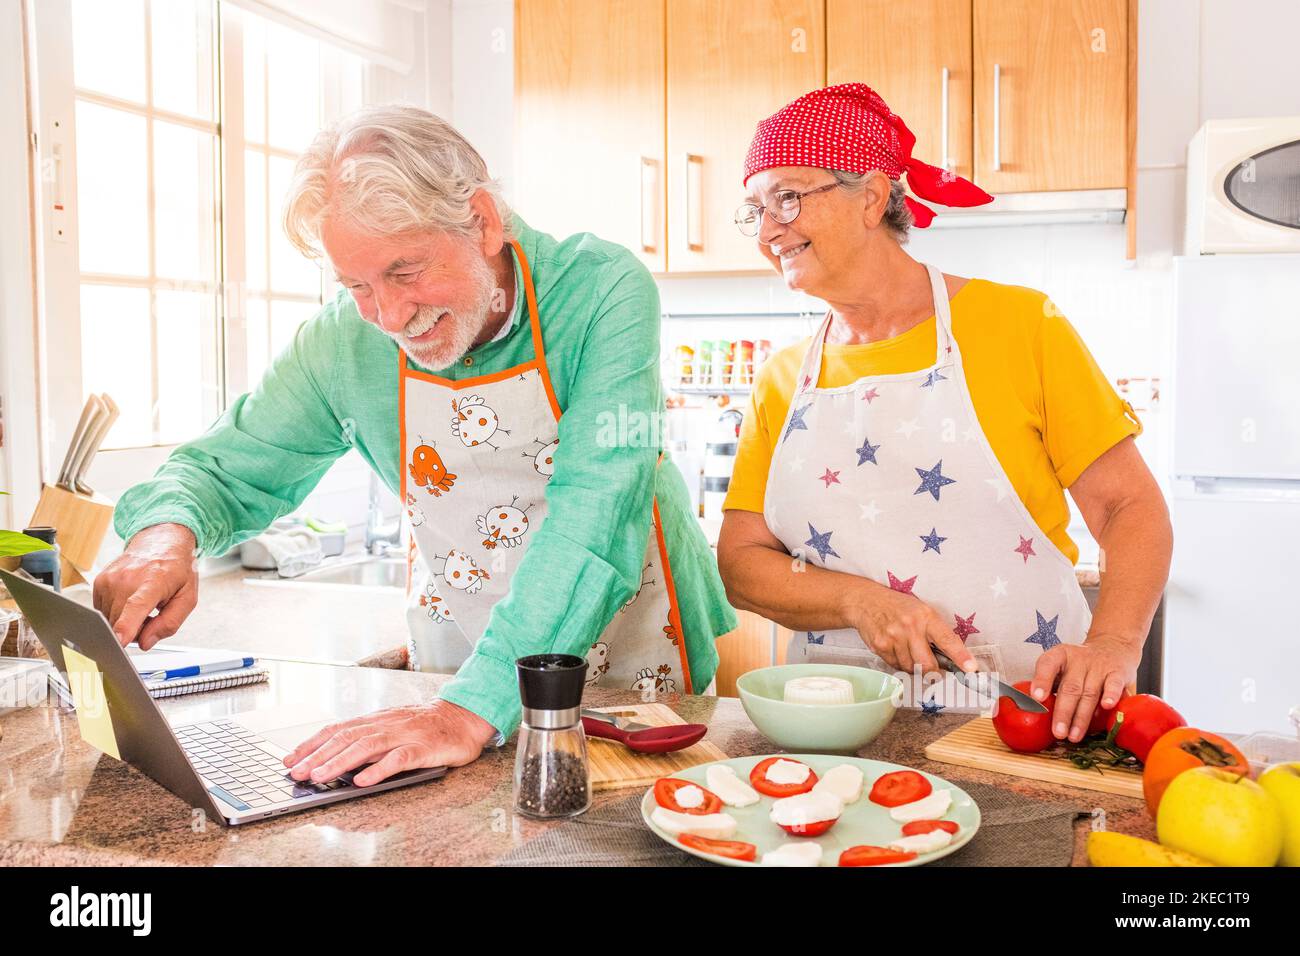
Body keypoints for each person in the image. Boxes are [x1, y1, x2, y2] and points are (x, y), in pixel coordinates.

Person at [97, 105, 735, 786]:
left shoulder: (602, 291)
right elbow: (224, 466)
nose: (390, 316)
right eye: (356, 285)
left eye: (406, 271)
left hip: (633, 658)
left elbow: (599, 513)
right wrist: (165, 532)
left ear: (483, 222)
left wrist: (470, 710)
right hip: (463, 672)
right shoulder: (345, 339)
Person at [717, 84, 1172, 741]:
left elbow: (1130, 508)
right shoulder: (783, 377)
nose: (765, 231)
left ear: (871, 196)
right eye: (753, 210)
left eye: (787, 197)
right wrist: (859, 600)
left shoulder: (1020, 325)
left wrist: (1115, 643)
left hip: (1023, 724)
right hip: (834, 734)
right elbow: (742, 562)